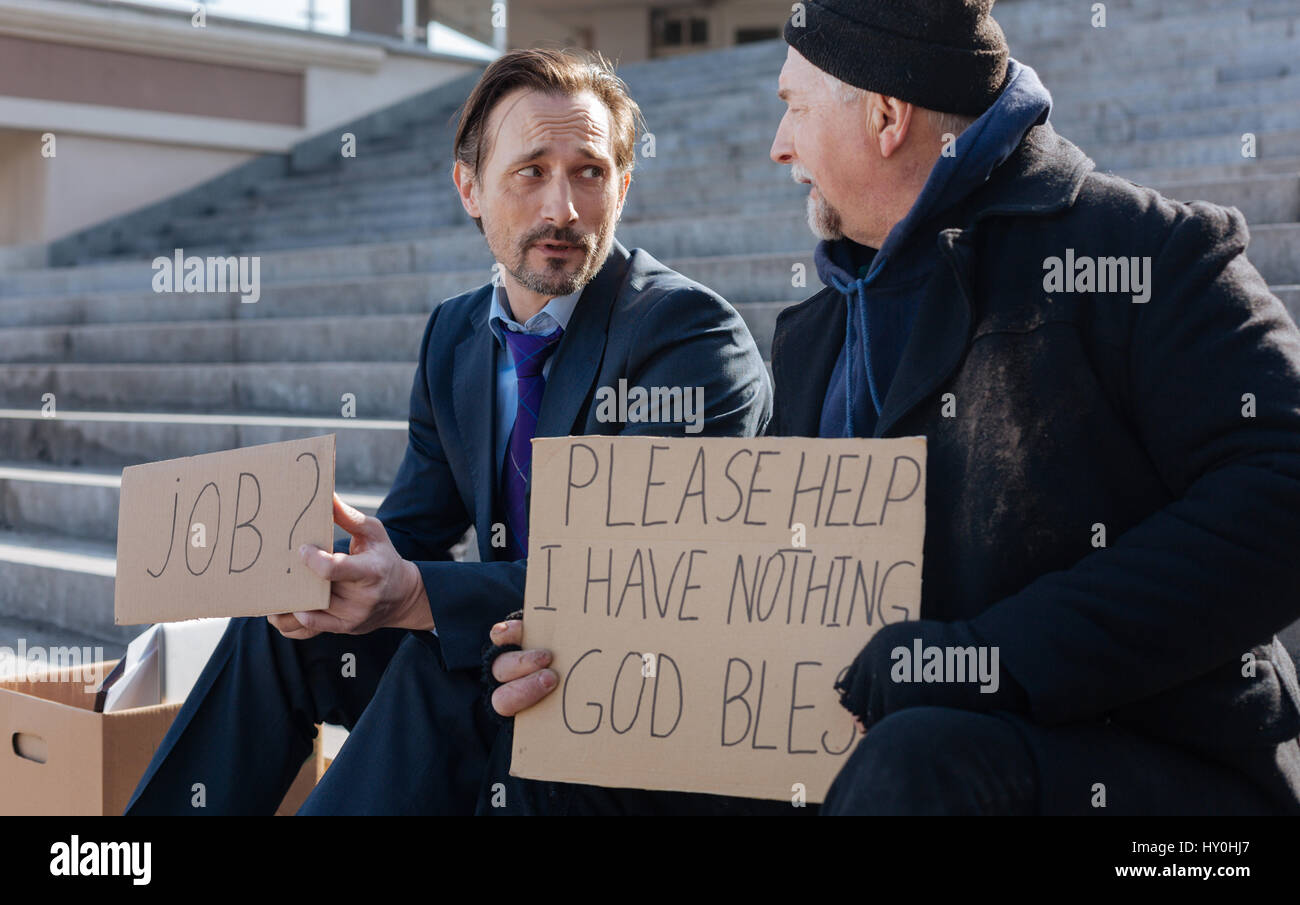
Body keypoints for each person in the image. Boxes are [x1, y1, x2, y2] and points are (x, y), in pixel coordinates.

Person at [482, 0, 1300, 816]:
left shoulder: (1144, 253)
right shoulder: (816, 333)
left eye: (793, 108)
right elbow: (770, 595)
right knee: (564, 752)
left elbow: (1282, 489)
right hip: (866, 749)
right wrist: (594, 652)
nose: (779, 146)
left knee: (917, 763)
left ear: (883, 116)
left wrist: (990, 658)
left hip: (1160, 783)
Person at [124, 48, 771, 815]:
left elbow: (629, 579)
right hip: (507, 645)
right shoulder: (456, 334)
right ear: (470, 187)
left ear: (623, 187)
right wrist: (329, 574)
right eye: (531, 170)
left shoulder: (690, 337)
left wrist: (413, 594)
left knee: (438, 666)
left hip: (636, 685)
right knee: (282, 626)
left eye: (590, 172)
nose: (563, 207)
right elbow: (418, 526)